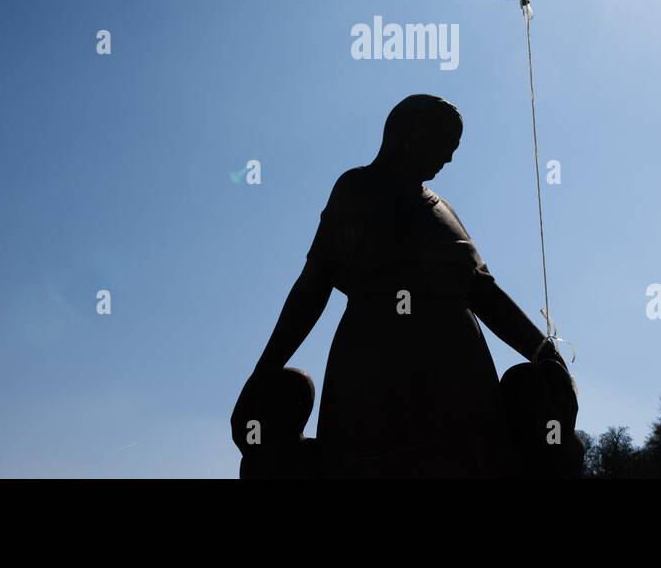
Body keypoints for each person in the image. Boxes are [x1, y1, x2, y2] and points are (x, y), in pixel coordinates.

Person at [239, 94, 559, 477]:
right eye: (444, 142)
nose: (449, 158)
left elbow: (484, 293)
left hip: (462, 379)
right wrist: (263, 372)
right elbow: (312, 287)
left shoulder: (445, 209)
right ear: (409, 134)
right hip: (376, 371)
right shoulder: (356, 189)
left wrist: (542, 350)